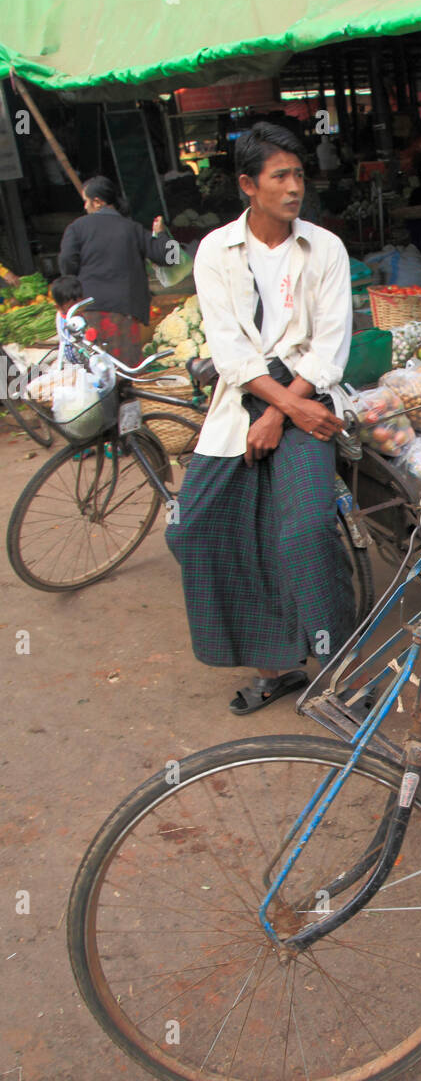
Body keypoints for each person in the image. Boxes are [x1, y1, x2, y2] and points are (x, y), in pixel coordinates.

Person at [166, 122, 356, 714]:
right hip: (242, 399)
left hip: (308, 396)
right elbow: (228, 348)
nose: (294, 186)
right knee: (191, 528)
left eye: (298, 174)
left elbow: (330, 344)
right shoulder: (216, 251)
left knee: (302, 533)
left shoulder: (324, 247)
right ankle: (276, 658)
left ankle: (340, 665)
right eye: (281, 176)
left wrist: (288, 408)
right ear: (248, 185)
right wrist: (279, 404)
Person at [58, 176, 170, 364]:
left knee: (94, 370)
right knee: (124, 370)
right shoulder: (133, 228)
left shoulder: (76, 227)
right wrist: (162, 234)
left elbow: (67, 262)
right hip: (126, 311)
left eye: (86, 201)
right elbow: (170, 257)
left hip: (87, 309)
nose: (85, 207)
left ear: (98, 202)